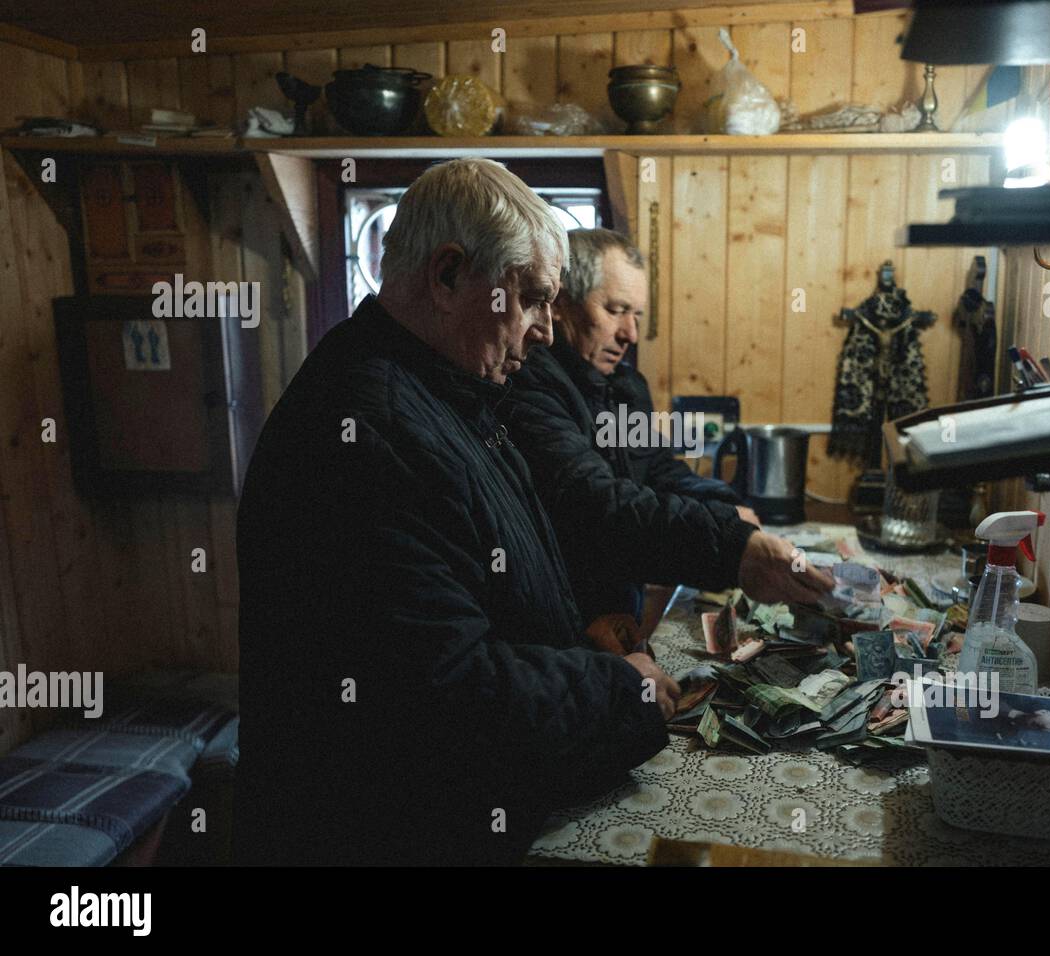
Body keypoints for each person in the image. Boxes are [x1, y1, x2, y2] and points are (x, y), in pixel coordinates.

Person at [235, 159, 678, 866]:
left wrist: (583, 636)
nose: (543, 331)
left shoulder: (447, 387)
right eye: (532, 299)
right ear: (447, 276)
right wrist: (619, 691)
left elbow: (500, 576)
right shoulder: (367, 430)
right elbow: (447, 698)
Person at [501, 228, 832, 626]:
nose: (631, 334)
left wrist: (725, 507)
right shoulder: (528, 384)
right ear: (560, 303)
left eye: (636, 315)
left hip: (622, 602)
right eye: (615, 310)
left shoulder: (623, 385)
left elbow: (657, 468)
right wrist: (728, 544)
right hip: (568, 621)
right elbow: (594, 506)